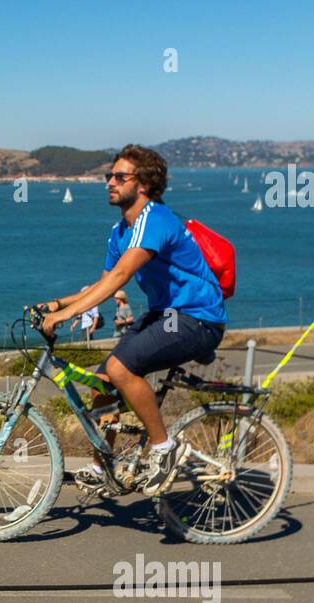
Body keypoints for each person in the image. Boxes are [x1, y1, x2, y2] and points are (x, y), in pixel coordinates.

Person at [32, 144, 227, 496]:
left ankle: (164, 448)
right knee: (102, 381)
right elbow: (105, 281)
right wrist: (57, 303)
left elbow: (121, 276)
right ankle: (101, 465)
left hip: (195, 317)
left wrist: (66, 315)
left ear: (144, 185)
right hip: (166, 314)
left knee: (122, 370)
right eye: (110, 175)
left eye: (120, 176)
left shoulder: (156, 219)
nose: (110, 181)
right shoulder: (120, 231)